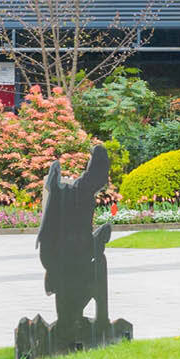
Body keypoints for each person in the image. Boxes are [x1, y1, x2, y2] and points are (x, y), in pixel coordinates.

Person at [36, 144, 112, 348]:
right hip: (70, 258)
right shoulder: (76, 195)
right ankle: (69, 329)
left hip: (77, 256)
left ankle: (78, 326)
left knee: (84, 280)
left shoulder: (80, 194)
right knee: (73, 291)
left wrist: (98, 237)